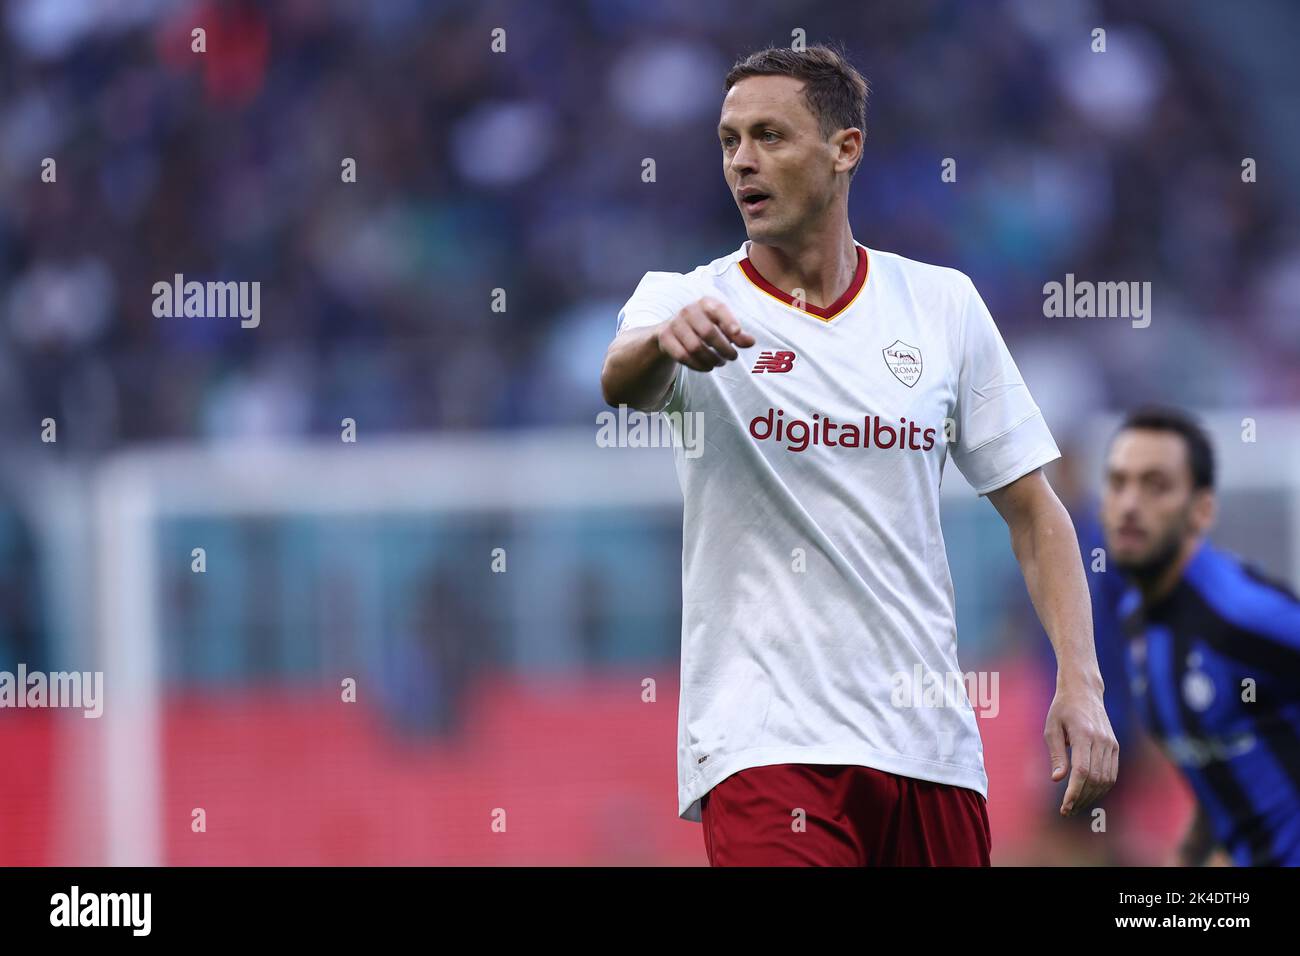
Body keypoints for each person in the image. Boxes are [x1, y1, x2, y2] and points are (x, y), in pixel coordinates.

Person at [600, 44, 1116, 866]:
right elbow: (622, 380)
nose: (742, 161)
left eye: (769, 135)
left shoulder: (941, 304)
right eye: (729, 140)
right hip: (766, 743)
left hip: (929, 750)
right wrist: (663, 342)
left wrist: (1081, 681)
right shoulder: (686, 298)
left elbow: (1034, 512)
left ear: (846, 150)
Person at [1101, 406, 1300, 866]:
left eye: (1156, 485)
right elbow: (1219, 760)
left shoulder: (1242, 615)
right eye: (1118, 482)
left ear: (1202, 510)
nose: (1130, 503)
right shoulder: (1135, 623)